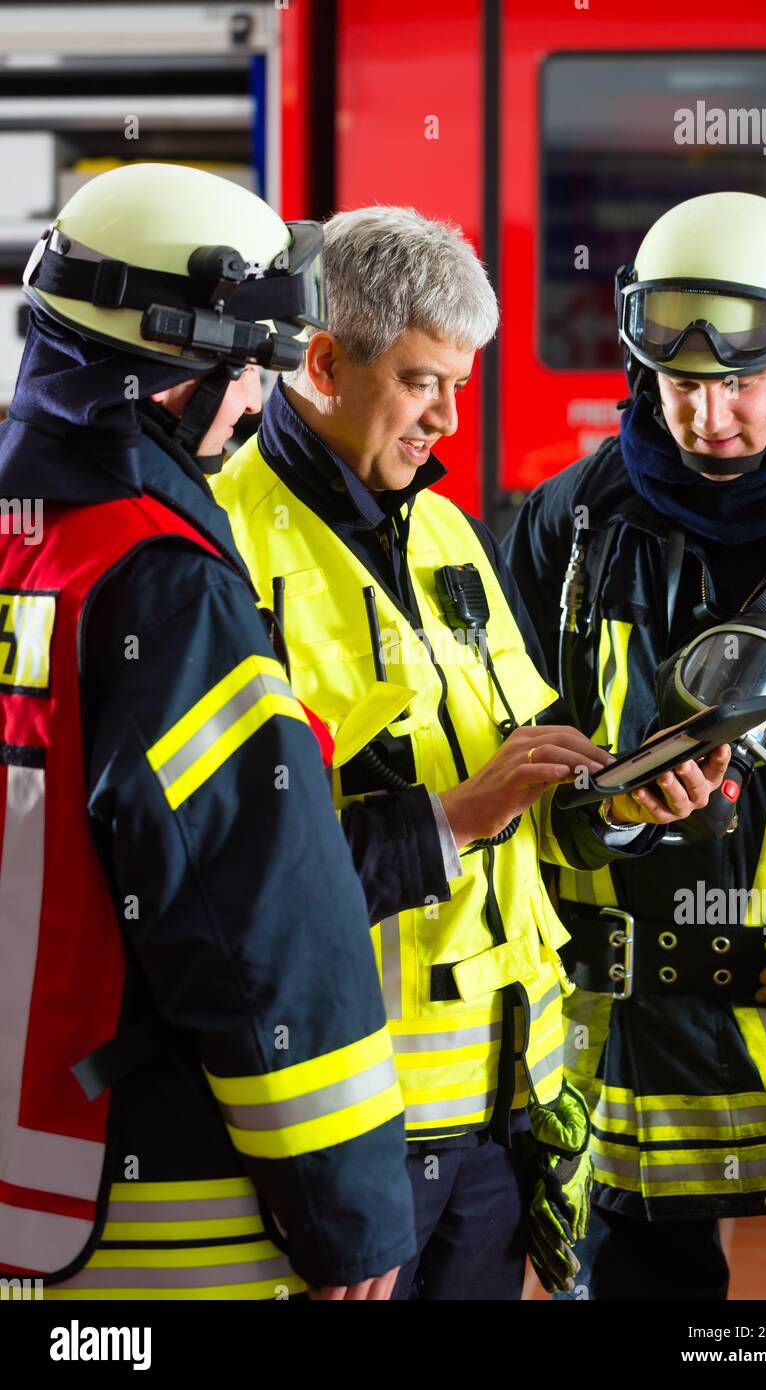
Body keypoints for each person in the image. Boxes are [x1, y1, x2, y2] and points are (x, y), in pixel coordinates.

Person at [211, 204, 728, 1299]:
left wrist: (617, 802)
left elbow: (518, 791)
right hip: (354, 1123)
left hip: (501, 1110)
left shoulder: (445, 531)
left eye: (460, 381)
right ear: (319, 360)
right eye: (419, 381)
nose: (449, 417)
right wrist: (454, 816)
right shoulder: (224, 554)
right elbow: (232, 889)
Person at [0, 163, 416, 1300]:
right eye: (248, 372)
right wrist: (349, 1211)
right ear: (173, 377)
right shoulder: (162, 585)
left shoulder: (24, 543)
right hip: (156, 1221)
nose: (252, 405)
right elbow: (258, 920)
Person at [504, 190, 766, 1300]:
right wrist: (601, 809)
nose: (706, 419)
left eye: (738, 384)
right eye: (678, 385)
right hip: (632, 1070)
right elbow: (493, 760)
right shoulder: (563, 525)